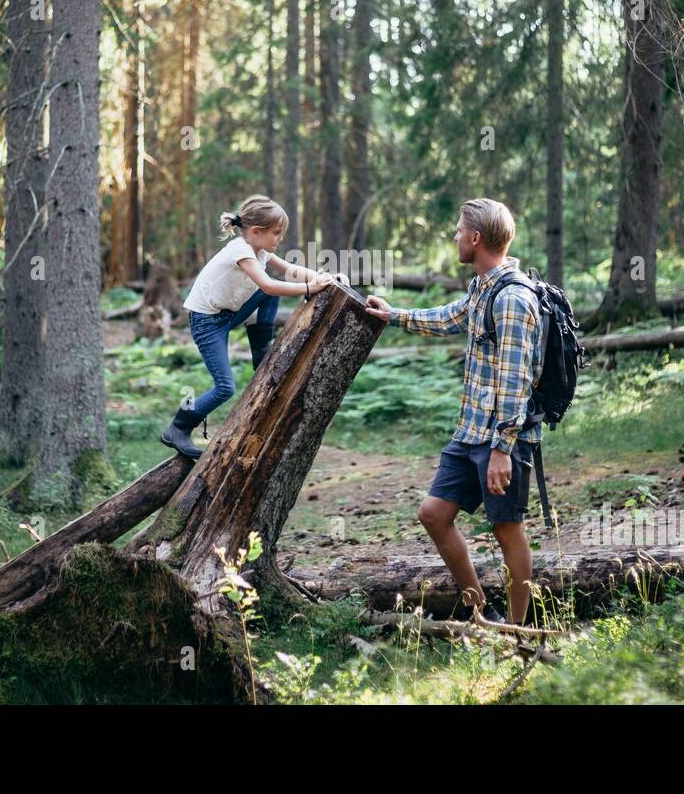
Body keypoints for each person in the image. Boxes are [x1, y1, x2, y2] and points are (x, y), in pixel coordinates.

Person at [364, 198, 543, 624]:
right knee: (434, 515)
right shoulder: (482, 287)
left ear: (476, 238)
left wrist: (503, 448)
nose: (455, 236)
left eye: (459, 230)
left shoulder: (514, 297)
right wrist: (394, 316)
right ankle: (480, 612)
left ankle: (517, 633)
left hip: (502, 439)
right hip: (469, 432)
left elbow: (517, 380)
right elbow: (448, 318)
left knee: (507, 531)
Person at [161, 194, 346, 459]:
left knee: (270, 292)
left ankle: (261, 352)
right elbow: (268, 284)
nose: (279, 239)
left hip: (227, 315)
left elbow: (288, 271)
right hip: (206, 324)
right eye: (276, 233)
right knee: (224, 387)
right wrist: (308, 289)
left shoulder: (259, 250)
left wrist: (325, 278)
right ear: (256, 232)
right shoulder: (240, 251)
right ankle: (177, 428)